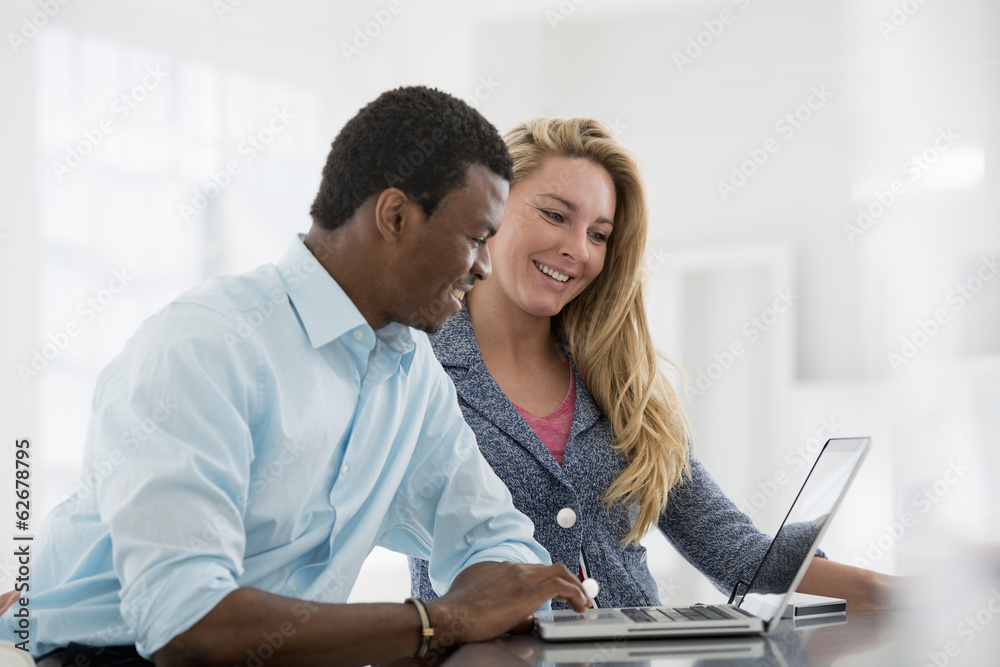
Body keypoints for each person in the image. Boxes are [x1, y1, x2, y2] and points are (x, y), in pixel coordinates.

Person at [0, 87, 590, 667]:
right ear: (395, 216)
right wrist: (441, 622)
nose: (483, 267)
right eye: (476, 238)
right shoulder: (207, 345)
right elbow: (186, 628)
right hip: (109, 653)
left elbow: (493, 540)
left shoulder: (411, 369)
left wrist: (480, 604)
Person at [409, 117, 895, 611]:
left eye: (599, 235)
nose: (577, 249)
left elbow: (736, 553)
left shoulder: (617, 382)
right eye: (556, 215)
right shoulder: (414, 365)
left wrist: (896, 592)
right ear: (492, 204)